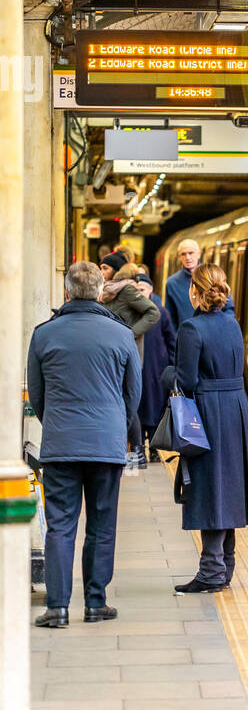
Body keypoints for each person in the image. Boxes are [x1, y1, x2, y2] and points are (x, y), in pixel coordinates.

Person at [26, 261, 142, 627]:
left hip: (61, 444)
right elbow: (133, 395)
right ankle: (95, 603)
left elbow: (38, 395)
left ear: (67, 292)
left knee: (61, 527)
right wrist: (114, 428)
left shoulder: (43, 334)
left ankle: (57, 608)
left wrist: (57, 426)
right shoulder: (121, 334)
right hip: (106, 445)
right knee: (102, 525)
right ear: (99, 291)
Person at [173, 263, 248, 593]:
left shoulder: (192, 329)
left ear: (194, 290)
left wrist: (168, 376)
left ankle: (210, 571)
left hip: (209, 411)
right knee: (229, 486)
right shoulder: (232, 324)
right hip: (236, 409)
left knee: (209, 487)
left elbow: (187, 380)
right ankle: (225, 565)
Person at [101, 263, 160, 469]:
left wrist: (129, 332)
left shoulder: (116, 290)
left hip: (120, 352)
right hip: (120, 351)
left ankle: (136, 454)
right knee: (125, 400)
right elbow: (152, 312)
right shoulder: (120, 290)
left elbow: (152, 313)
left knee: (126, 400)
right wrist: (129, 334)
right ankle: (134, 453)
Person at [135, 269, 176, 459]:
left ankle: (153, 448)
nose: (139, 294)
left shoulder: (161, 313)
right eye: (135, 290)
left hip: (156, 372)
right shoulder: (130, 314)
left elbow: (171, 342)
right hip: (138, 371)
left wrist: (172, 367)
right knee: (137, 409)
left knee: (155, 409)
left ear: (151, 291)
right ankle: (138, 450)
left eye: (142, 289)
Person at [164, 239, 201, 333]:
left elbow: (227, 307)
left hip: (210, 338)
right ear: (179, 257)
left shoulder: (212, 277)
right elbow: (170, 317)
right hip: (185, 338)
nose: (187, 257)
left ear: (199, 254)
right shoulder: (172, 283)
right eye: (183, 254)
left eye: (191, 253)